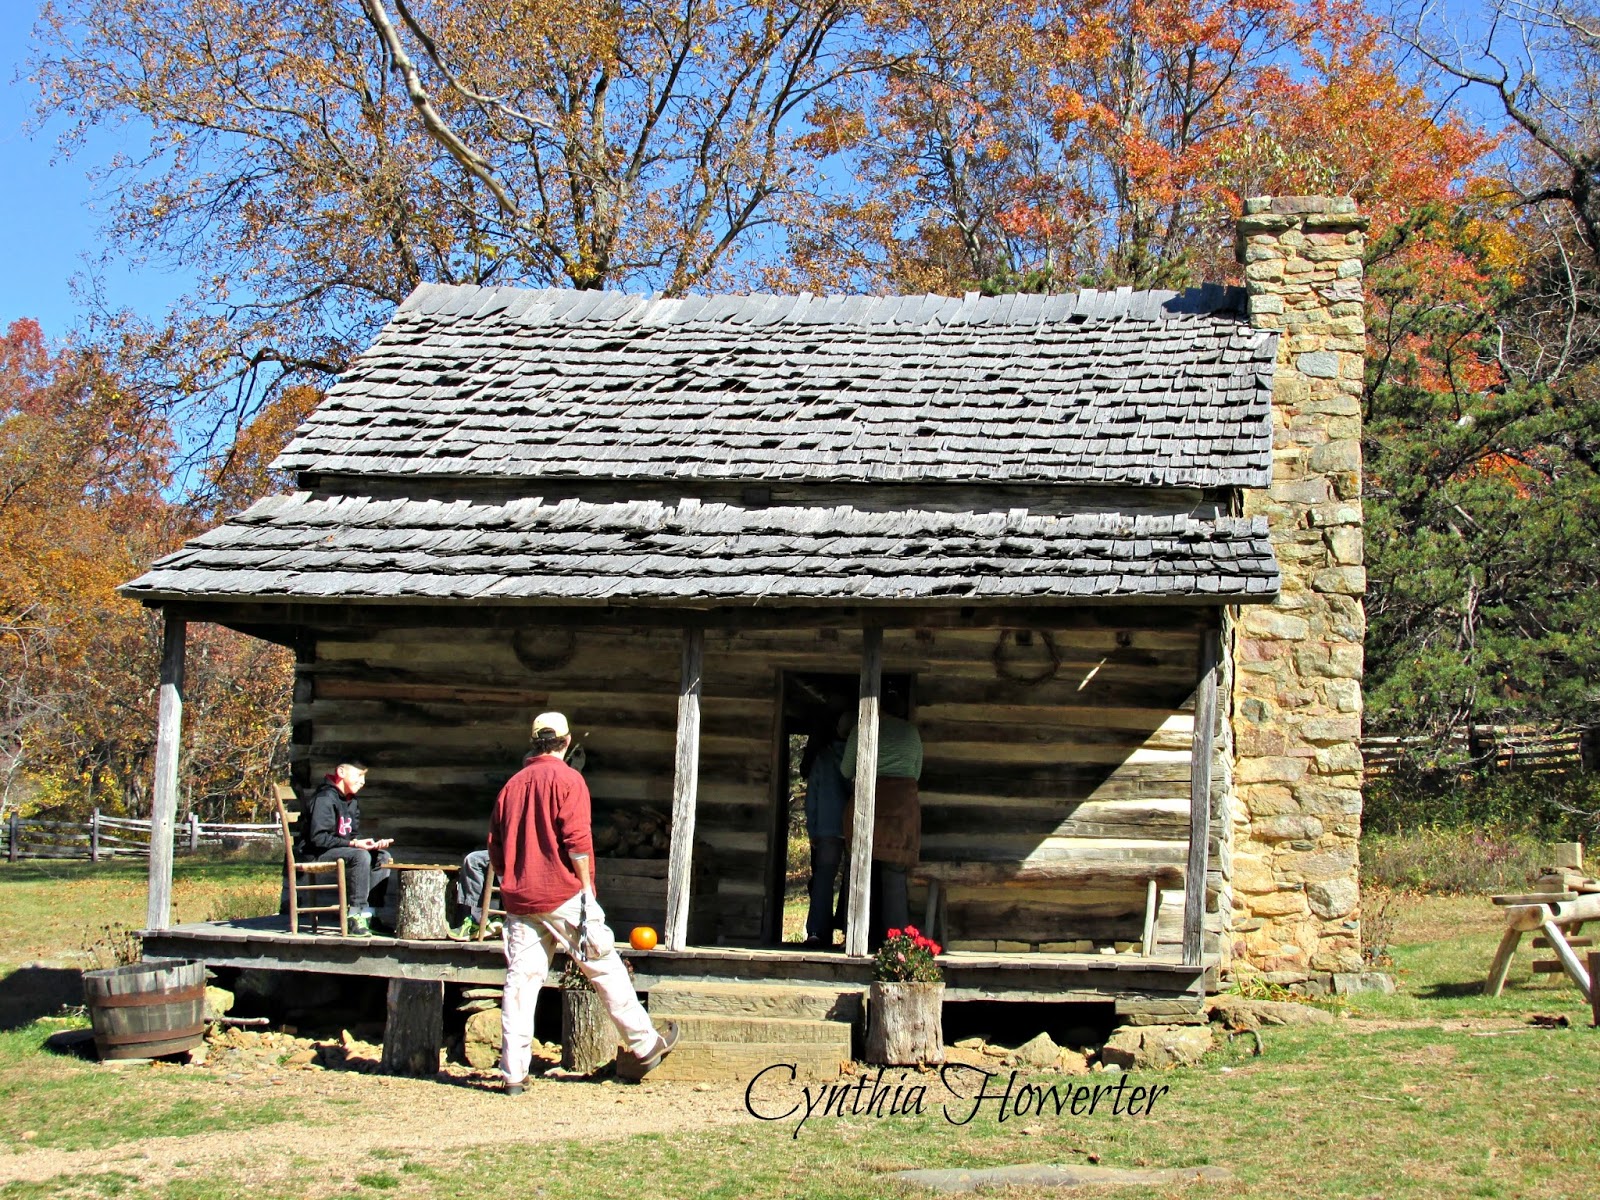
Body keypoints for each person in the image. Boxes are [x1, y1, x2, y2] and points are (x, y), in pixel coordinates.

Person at [488, 712, 678, 1094]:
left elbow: (495, 845)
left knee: (520, 984)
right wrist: (588, 890)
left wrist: (512, 882)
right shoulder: (569, 779)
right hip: (563, 892)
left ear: (534, 741)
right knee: (605, 968)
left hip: (520, 899)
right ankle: (644, 1043)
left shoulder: (512, 785)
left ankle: (513, 1073)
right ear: (566, 740)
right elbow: (577, 841)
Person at [452, 740, 586, 939]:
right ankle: (481, 918)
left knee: (475, 860)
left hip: (535, 859)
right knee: (476, 859)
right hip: (519, 855)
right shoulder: (522, 788)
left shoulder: (545, 784)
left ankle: (481, 918)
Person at [839, 690, 924, 950]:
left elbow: (845, 770)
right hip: (902, 808)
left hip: (868, 804)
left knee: (859, 872)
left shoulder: (861, 728)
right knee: (894, 874)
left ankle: (856, 940)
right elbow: (916, 773)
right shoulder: (912, 733)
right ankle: (897, 945)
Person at [297, 760, 393, 936]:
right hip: (316, 853)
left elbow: (351, 835)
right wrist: (355, 845)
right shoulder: (324, 798)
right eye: (359, 775)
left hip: (338, 849)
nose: (363, 782)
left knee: (382, 856)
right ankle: (354, 916)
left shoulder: (351, 801)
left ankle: (369, 915)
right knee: (361, 856)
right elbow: (318, 838)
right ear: (341, 772)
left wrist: (368, 844)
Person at [800, 714, 850, 949]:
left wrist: (812, 829)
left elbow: (812, 798)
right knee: (854, 881)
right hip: (854, 827)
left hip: (827, 827)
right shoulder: (861, 756)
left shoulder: (823, 757)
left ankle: (818, 932)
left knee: (823, 879)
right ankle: (852, 932)